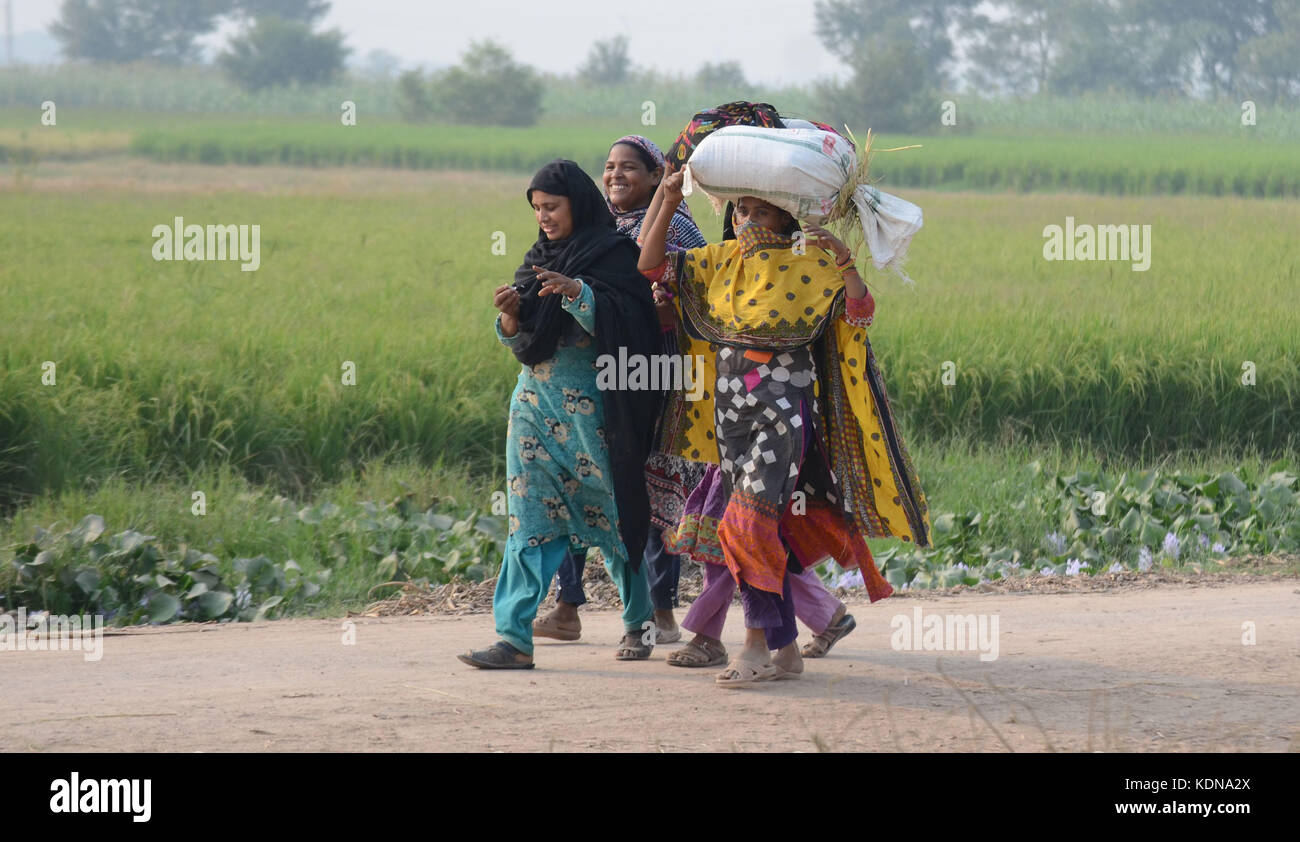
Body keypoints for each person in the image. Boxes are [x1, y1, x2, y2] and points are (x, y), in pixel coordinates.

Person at [639, 169, 931, 687]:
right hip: (728, 417)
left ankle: (754, 644)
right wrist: (665, 197)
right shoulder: (720, 263)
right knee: (752, 530)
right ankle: (787, 649)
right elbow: (650, 263)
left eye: (762, 211)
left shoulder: (810, 264)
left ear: (785, 217)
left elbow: (860, 314)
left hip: (781, 415)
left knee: (747, 526)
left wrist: (846, 264)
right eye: (741, 210)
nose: (747, 220)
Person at [458, 159, 662, 669]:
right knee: (529, 519)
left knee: (613, 510)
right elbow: (525, 340)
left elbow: (636, 325)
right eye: (536, 209)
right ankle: (513, 639)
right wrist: (509, 316)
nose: (543, 217)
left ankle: (639, 623)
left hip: (596, 411)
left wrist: (580, 294)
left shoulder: (615, 255)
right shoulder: (537, 259)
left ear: (578, 203)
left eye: (551, 207)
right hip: (532, 408)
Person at [533, 135, 708, 647]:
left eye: (629, 168)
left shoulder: (673, 226)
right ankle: (568, 606)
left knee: (647, 482)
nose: (614, 175)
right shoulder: (600, 231)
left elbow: (683, 300)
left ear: (657, 177)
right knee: (585, 474)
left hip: (658, 369)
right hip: (608, 366)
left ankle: (660, 613)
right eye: (608, 167)